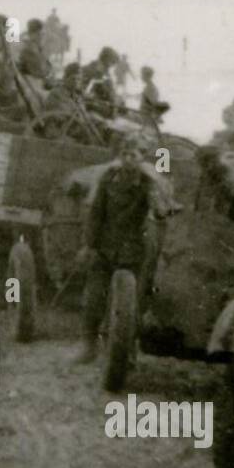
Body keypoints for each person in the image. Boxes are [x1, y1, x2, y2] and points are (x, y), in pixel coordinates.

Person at [76, 134, 171, 362]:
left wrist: (160, 207)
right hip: (105, 248)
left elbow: (158, 208)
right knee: (94, 299)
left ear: (141, 159)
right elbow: (96, 213)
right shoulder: (108, 179)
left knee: (128, 305)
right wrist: (89, 245)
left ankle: (125, 351)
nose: (128, 159)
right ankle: (89, 346)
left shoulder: (147, 184)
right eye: (125, 154)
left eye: (134, 155)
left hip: (132, 252)